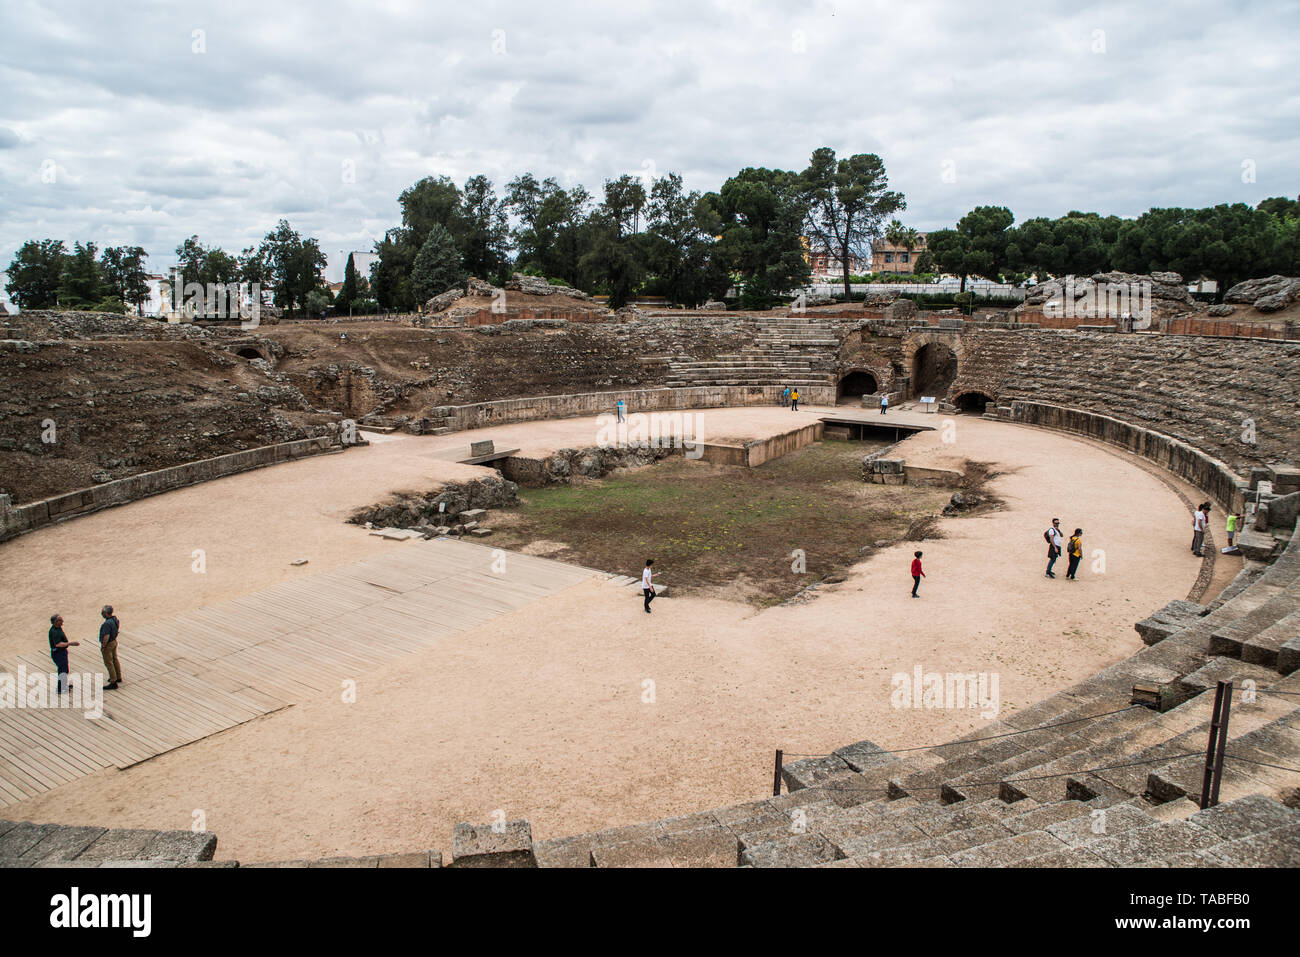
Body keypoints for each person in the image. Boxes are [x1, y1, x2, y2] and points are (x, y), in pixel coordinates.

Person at [47, 614, 80, 694]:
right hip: (58, 653)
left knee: (65, 670)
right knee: (62, 670)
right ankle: (61, 688)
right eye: (60, 620)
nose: (62, 622)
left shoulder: (57, 628)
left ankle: (64, 685)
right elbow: (58, 644)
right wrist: (70, 643)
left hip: (61, 652)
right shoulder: (55, 632)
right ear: (55, 622)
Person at [99, 604, 122, 690]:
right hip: (114, 641)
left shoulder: (106, 624)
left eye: (103, 612)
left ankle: (113, 681)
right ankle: (118, 676)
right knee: (115, 659)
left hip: (109, 644)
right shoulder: (115, 619)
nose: (101, 613)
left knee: (109, 662)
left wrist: (103, 646)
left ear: (106, 613)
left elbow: (106, 636)